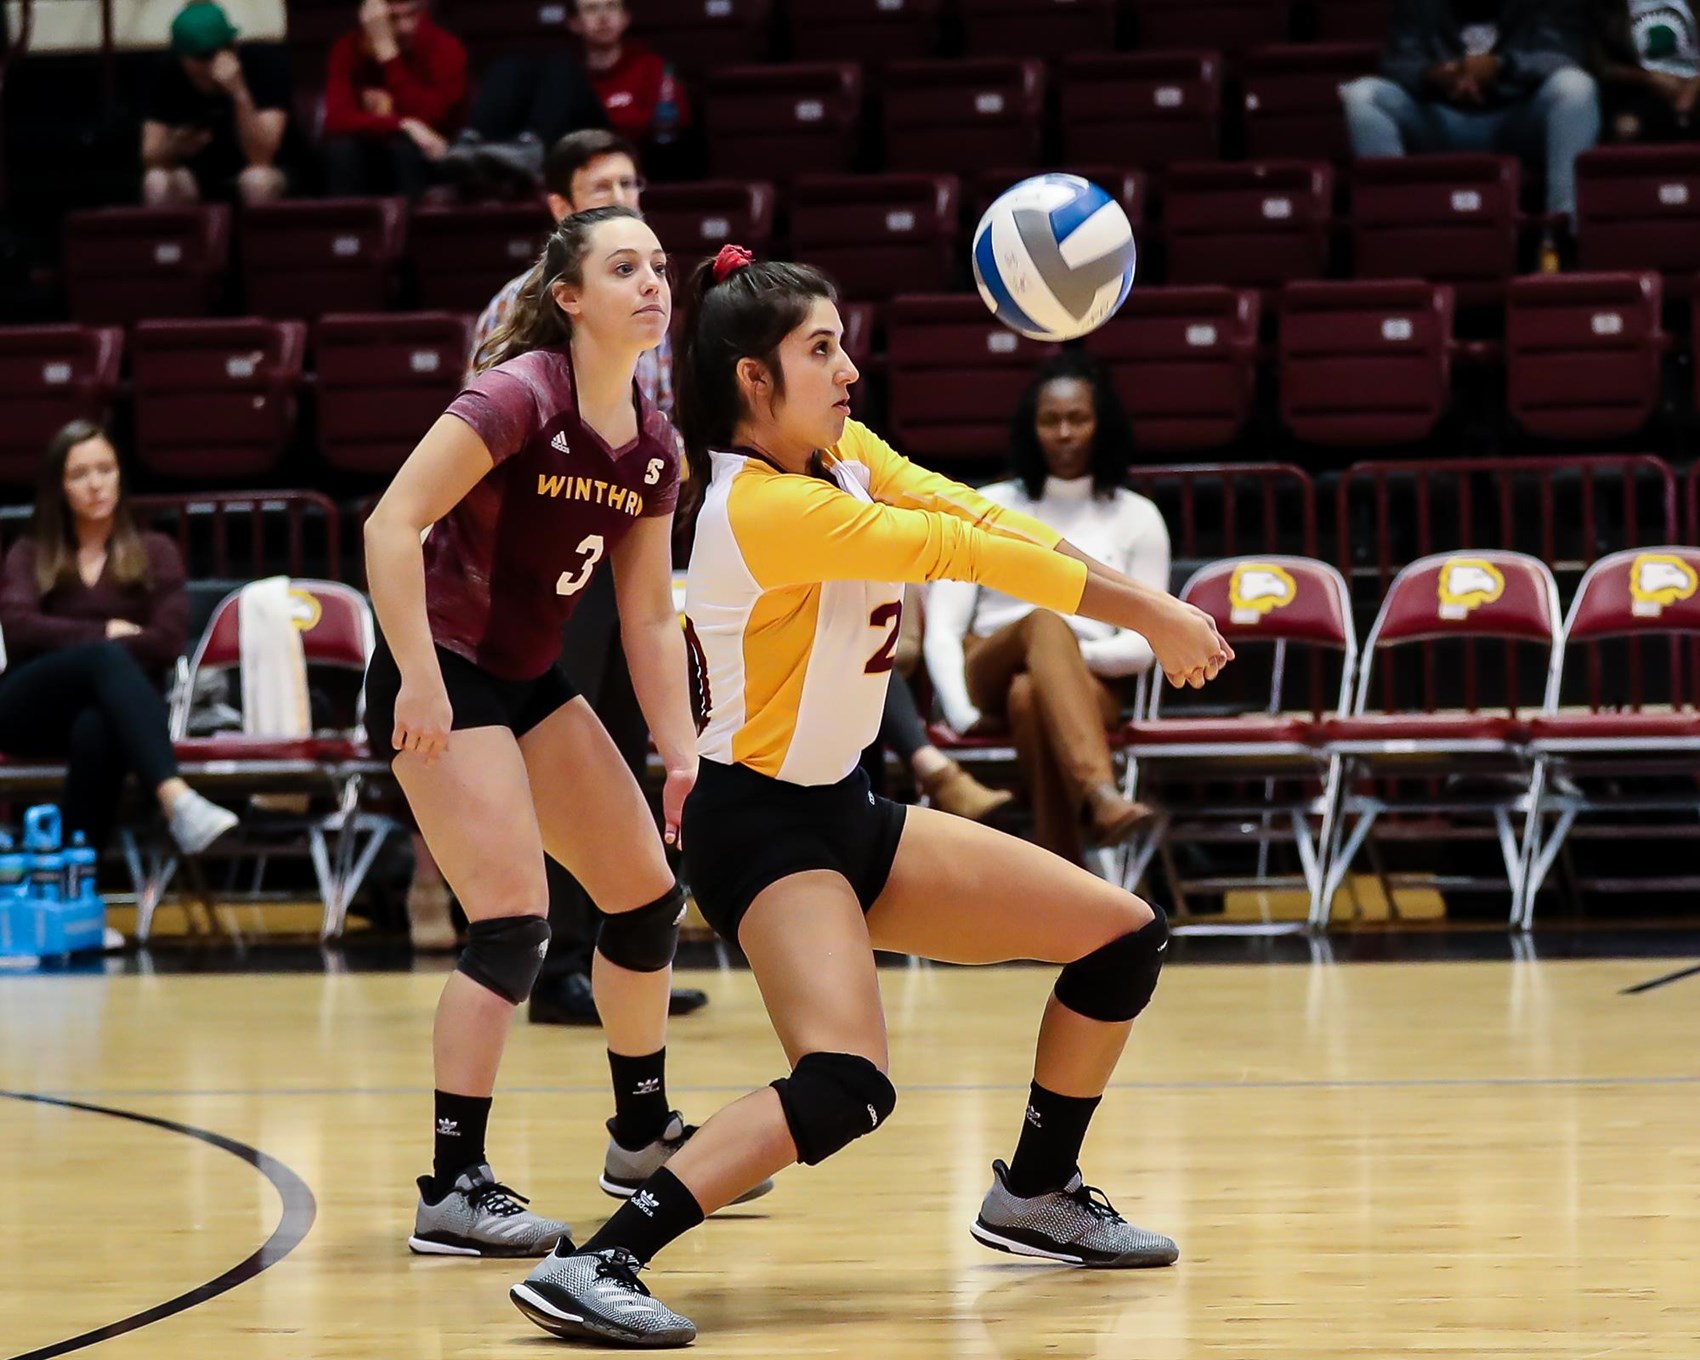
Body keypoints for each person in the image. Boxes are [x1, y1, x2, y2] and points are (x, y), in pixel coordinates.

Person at [507, 246, 1232, 1346]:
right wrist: (1149, 615)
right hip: (758, 826)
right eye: (820, 349)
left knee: (1120, 938)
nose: (848, 371)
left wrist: (1138, 598)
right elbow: (953, 549)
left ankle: (1034, 1194)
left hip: (845, 811)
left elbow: (977, 518)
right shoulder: (757, 507)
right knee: (845, 1084)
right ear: (756, 380)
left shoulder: (842, 458)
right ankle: (599, 1259)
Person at [364, 207, 769, 1259]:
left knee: (642, 897)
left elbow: (643, 616)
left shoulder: (654, 446)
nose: (650, 282)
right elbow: (388, 525)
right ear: (569, 298)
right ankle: (452, 1187)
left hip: (526, 679)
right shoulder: (515, 395)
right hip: (442, 674)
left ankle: (639, 1140)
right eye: (621, 266)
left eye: (657, 267)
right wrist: (415, 677)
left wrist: (681, 747)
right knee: (512, 924)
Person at [463, 129, 700, 1026]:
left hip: (627, 544)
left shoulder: (649, 306)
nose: (626, 196)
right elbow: (484, 432)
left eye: (633, 183)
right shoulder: (517, 315)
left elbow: (662, 429)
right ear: (560, 208)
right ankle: (553, 960)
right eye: (605, 186)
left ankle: (625, 947)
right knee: (560, 753)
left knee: (625, 749)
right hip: (545, 557)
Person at [923, 353, 1169, 865]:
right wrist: (962, 713)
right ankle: (1100, 793)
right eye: (1049, 420)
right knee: (1042, 620)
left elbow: (1146, 639)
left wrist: (1058, 663)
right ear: (1028, 428)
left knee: (1031, 697)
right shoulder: (988, 504)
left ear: (1102, 426)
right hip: (987, 665)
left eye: (1077, 418)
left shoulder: (1137, 516)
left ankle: (1063, 874)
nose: (1063, 433)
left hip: (1088, 682)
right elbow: (942, 628)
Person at [0, 421, 239, 859]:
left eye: (105, 469)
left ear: (119, 475)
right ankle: (176, 799)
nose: (95, 485)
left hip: (116, 713)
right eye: (79, 474)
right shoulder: (30, 550)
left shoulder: (155, 550)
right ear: (59, 486)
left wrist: (72, 640)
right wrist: (105, 634)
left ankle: (78, 886)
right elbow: (18, 629)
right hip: (28, 706)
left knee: (98, 727)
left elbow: (168, 641)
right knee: (103, 657)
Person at [1340, 0, 1600, 265]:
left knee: (1575, 88)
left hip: (1516, 119)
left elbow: (1564, 54)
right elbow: (1396, 61)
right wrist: (1432, 74)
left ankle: (1561, 236)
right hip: (1439, 118)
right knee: (1363, 96)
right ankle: (1394, 240)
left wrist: (1501, 66)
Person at [142, 2, 293, 206]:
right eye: (203, 56)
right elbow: (150, 154)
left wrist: (239, 92)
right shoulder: (166, 73)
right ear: (181, 57)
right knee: (157, 182)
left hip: (264, 169)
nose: (215, 62)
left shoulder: (265, 64)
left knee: (257, 181)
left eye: (225, 48)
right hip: (199, 174)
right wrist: (175, 147)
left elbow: (262, 155)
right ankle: (166, 240)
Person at [321, 0, 468, 199]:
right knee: (343, 150)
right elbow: (336, 119)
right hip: (369, 159)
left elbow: (429, 120)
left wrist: (388, 54)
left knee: (405, 149)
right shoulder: (348, 48)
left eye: (413, 14)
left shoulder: (445, 46)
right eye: (393, 17)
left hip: (429, 158)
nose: (406, 27)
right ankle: (348, 230)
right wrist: (403, 124)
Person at [437, 51, 607, 197]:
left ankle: (531, 149)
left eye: (611, 10)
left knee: (561, 67)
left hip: (590, 140)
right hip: (522, 136)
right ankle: (473, 142)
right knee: (510, 67)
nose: (602, 19)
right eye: (592, 10)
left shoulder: (631, 65)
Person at [571, 0, 691, 150]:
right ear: (574, 23)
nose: (603, 17)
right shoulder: (567, 78)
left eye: (611, 6)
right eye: (591, 9)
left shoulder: (654, 67)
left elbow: (671, 127)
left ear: (625, 18)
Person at [1588, 0, 1700, 139]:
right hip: (1642, 91)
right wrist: (1650, 78)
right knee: (1627, 127)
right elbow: (1603, 67)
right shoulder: (1610, 9)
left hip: (1694, 86)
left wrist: (1692, 88)